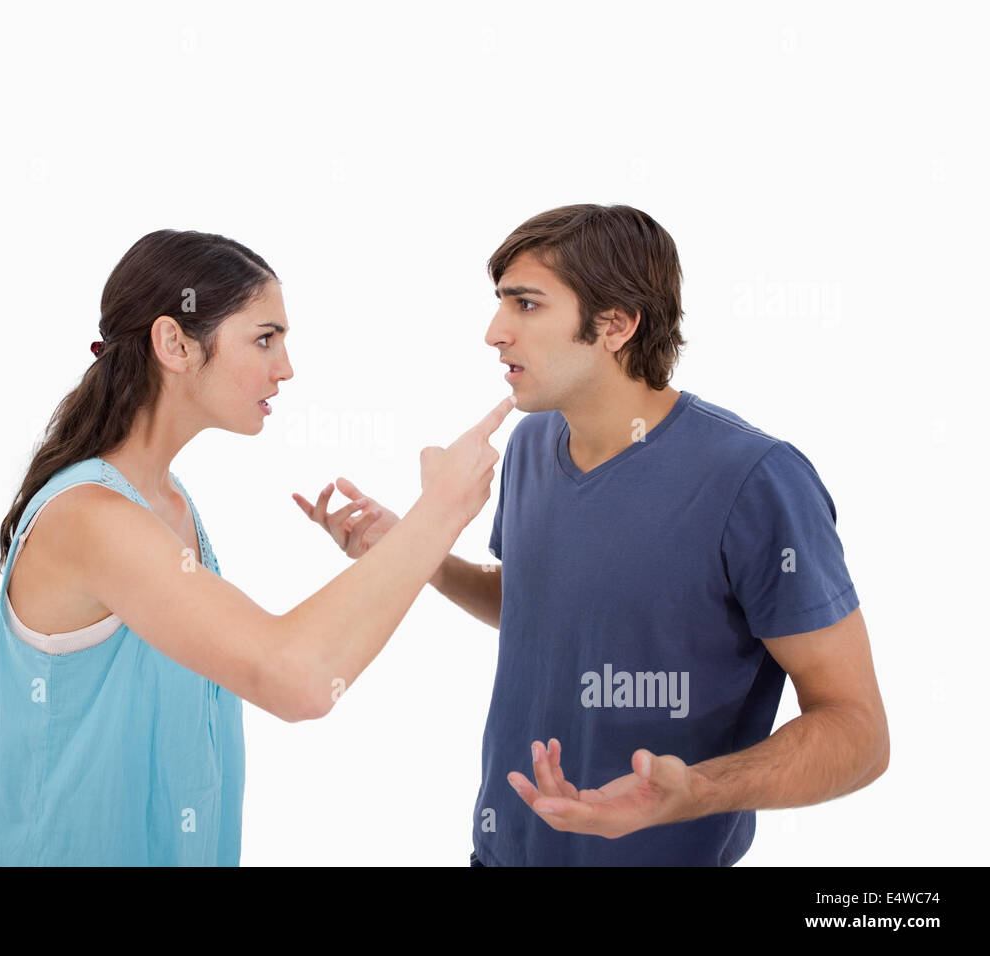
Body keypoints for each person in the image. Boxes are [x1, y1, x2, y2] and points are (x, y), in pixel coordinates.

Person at [294, 204, 888, 866]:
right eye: (500, 303)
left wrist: (693, 791)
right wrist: (421, 552)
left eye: (526, 305)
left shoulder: (754, 479)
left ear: (616, 324)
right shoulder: (528, 445)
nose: (495, 332)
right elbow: (538, 607)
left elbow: (857, 731)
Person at [0, 228, 515, 866]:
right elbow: (296, 678)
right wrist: (440, 511)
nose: (286, 366)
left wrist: (403, 553)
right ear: (174, 344)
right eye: (265, 338)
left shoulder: (169, 502)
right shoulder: (90, 517)